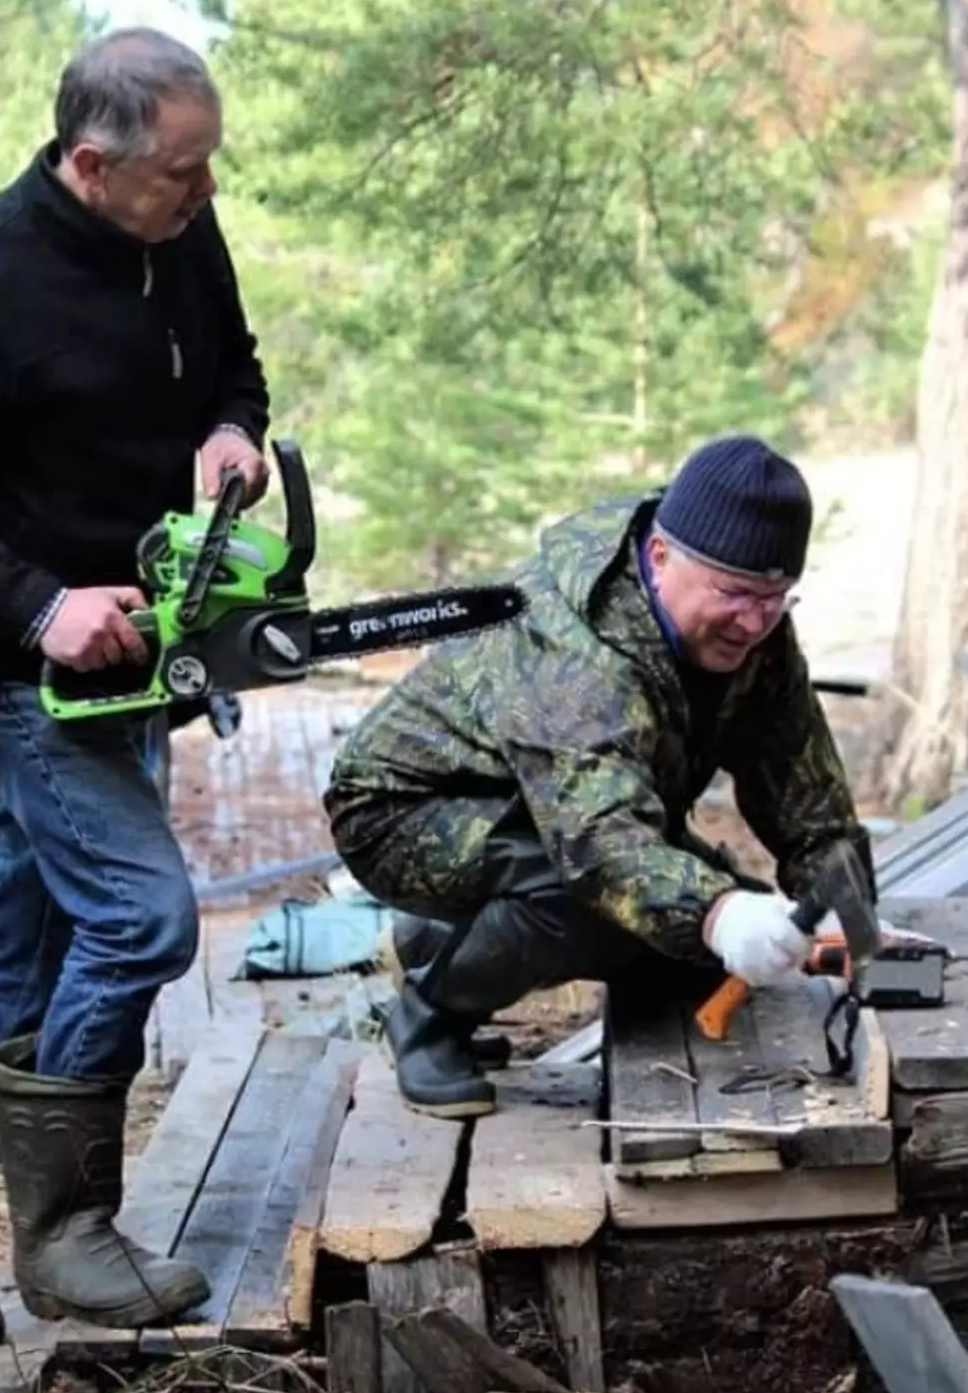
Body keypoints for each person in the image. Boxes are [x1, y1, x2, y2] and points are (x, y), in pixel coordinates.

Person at [0, 28, 270, 1351]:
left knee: (25, 947)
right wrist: (41, 604)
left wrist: (228, 432)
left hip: (138, 649)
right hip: (16, 658)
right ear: (94, 164)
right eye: (182, 174)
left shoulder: (178, 237)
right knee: (145, 920)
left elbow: (234, 365)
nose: (206, 194)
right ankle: (66, 1231)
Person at [324, 434, 874, 1119]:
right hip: (403, 811)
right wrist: (716, 911)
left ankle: (432, 943)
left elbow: (801, 780)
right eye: (734, 594)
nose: (754, 622)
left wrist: (856, 918)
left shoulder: (753, 628)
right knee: (586, 903)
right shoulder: (574, 641)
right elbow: (600, 848)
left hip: (552, 806)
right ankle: (428, 1016)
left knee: (708, 953)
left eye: (776, 598)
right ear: (663, 555)